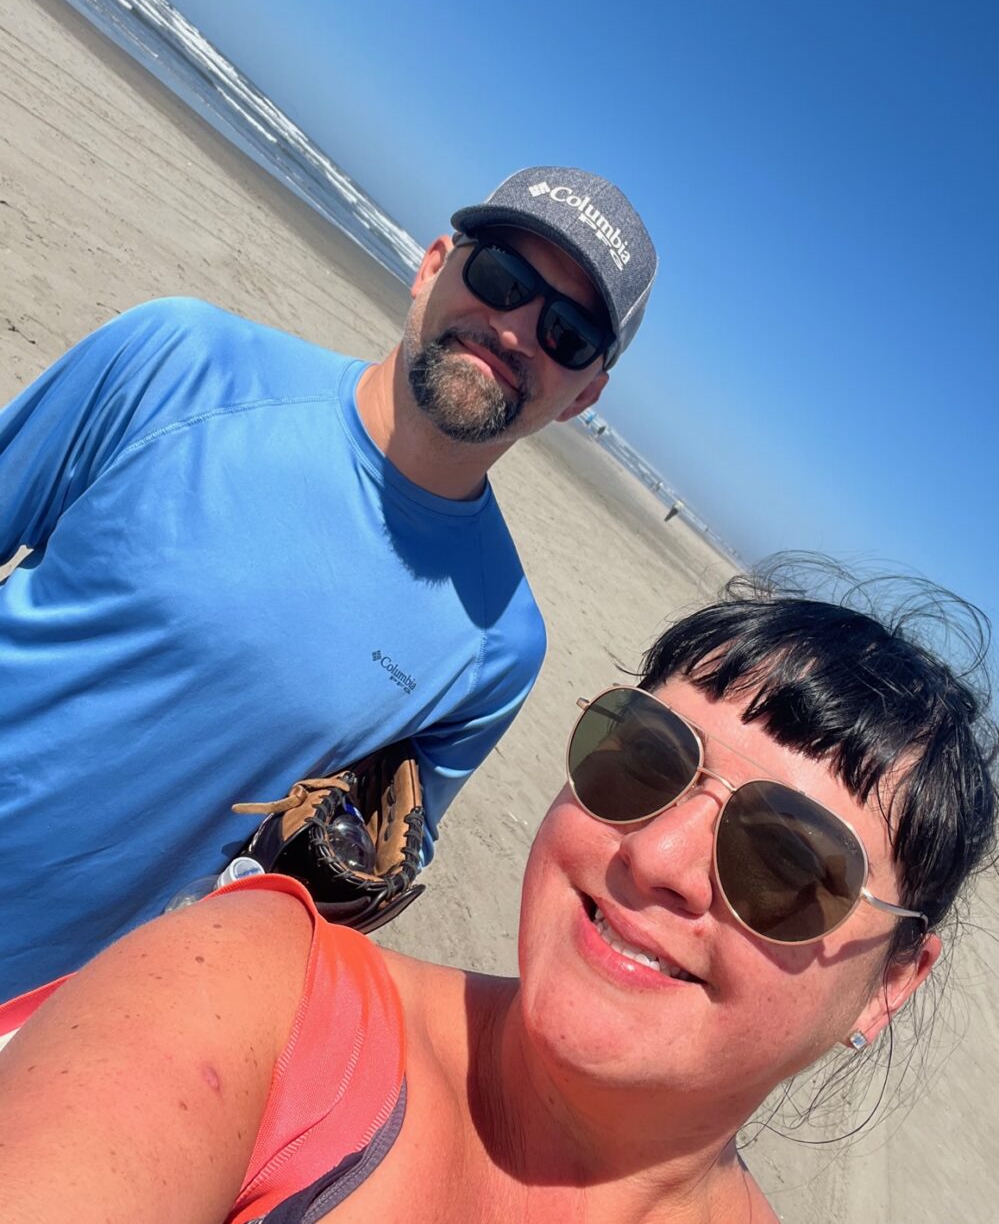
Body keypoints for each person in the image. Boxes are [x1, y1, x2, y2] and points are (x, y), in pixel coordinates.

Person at [0, 568, 993, 1221]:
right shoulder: (255, 995)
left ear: (889, 982)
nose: (659, 858)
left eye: (784, 859)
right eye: (645, 760)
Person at [0, 166, 658, 1000]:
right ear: (432, 266)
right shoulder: (180, 359)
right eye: (501, 276)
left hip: (59, 1020)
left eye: (564, 331)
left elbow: (333, 889)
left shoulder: (499, 642)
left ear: (582, 396)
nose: (514, 331)